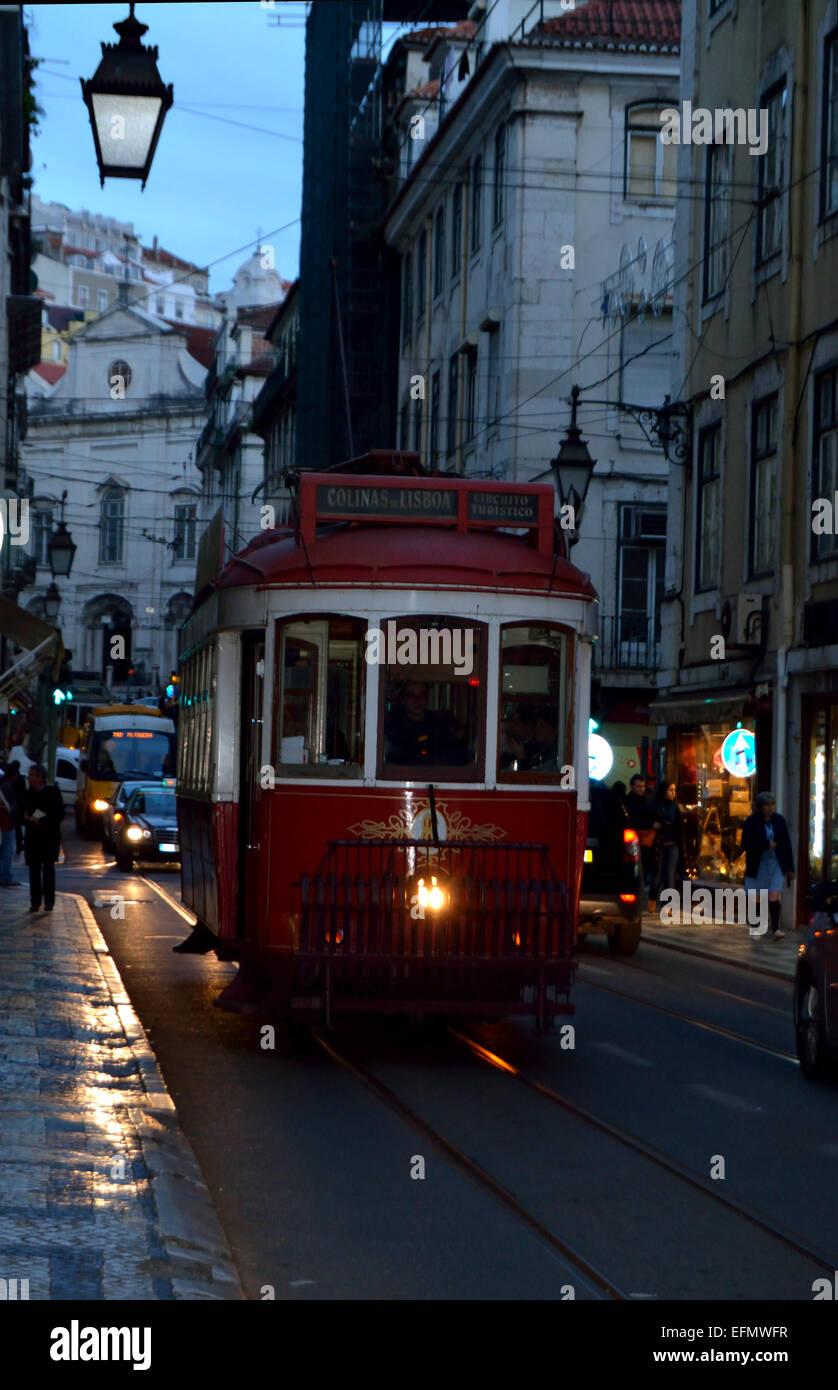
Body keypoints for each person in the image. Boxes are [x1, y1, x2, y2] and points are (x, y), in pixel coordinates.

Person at [741, 791, 794, 940]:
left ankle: (775, 929)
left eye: (772, 805)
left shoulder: (779, 821)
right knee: (757, 896)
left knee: (774, 893)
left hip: (775, 862)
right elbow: (745, 843)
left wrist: (790, 867)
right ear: (760, 807)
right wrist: (765, 845)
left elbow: (786, 844)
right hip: (758, 863)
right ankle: (756, 928)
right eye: (766, 805)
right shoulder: (751, 822)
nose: (770, 808)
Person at [384, 681, 467, 766]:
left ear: (427, 698)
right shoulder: (395, 727)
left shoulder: (440, 724)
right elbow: (394, 759)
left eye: (421, 695)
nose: (417, 700)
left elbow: (458, 756)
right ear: (403, 699)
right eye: (411, 695)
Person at [22, 764, 65, 912]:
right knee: (34, 871)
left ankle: (49, 901)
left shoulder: (52, 793)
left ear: (41, 778)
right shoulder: (28, 794)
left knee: (48, 869)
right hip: (33, 839)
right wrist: (29, 819)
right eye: (29, 775)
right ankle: (35, 902)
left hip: (49, 839)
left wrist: (39, 819)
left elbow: (58, 815)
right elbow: (24, 814)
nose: (29, 778)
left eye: (32, 775)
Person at [624, 774, 659, 905]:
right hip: (634, 838)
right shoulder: (628, 801)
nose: (641, 789)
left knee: (645, 866)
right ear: (632, 786)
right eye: (638, 786)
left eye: (643, 786)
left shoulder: (648, 801)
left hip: (645, 839)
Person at [649, 781, 684, 905]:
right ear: (663, 791)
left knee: (669, 875)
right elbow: (648, 822)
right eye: (670, 790)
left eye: (674, 790)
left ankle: (668, 904)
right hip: (658, 844)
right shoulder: (655, 806)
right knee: (657, 875)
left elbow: (679, 829)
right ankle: (652, 899)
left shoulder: (676, 808)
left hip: (673, 844)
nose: (673, 793)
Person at [0, 774, 22, 887]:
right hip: (6, 824)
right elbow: (11, 807)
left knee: (4, 851)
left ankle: (4, 875)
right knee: (7, 851)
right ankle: (6, 876)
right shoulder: (6, 787)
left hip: (5, 824)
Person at [1, 759, 25, 854]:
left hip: (8, 816)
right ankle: (18, 846)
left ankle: (18, 846)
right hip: (9, 815)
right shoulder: (10, 784)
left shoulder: (3, 781)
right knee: (7, 846)